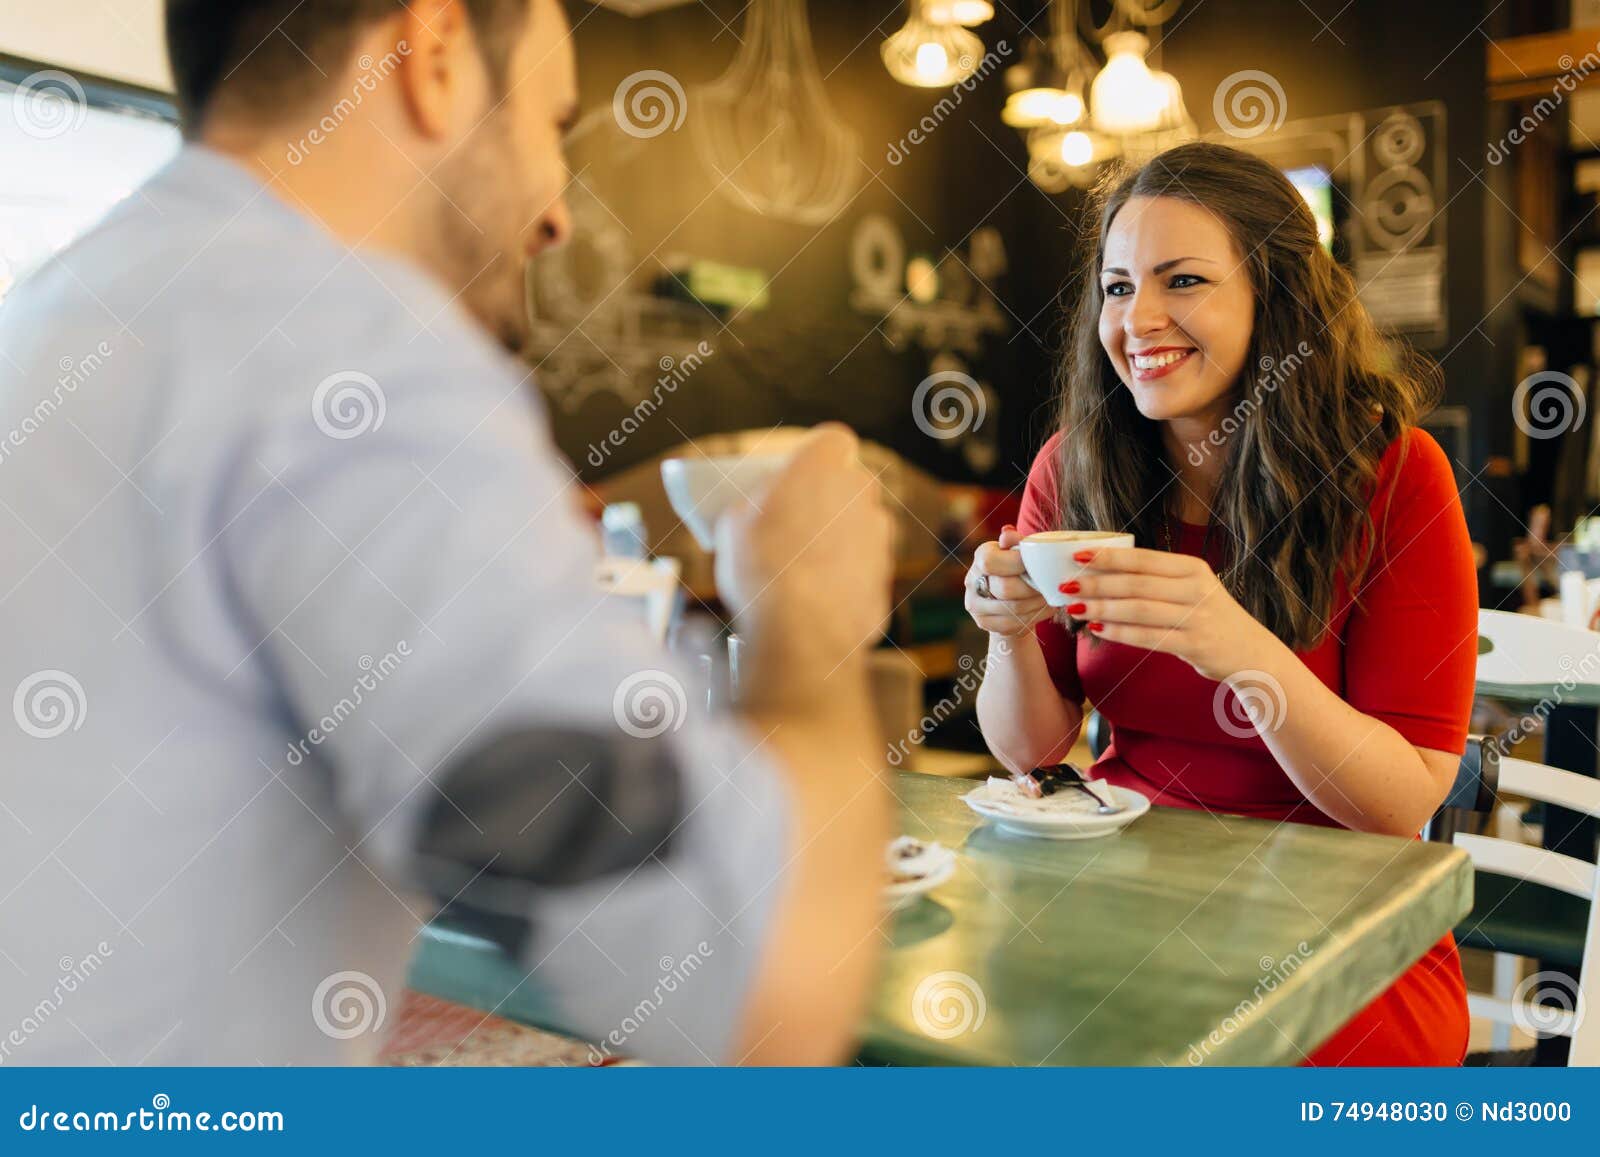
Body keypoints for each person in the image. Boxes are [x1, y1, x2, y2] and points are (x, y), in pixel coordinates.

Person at [0, 0, 893, 1066]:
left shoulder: (59, 309)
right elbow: (761, 993)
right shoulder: (351, 345)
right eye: (550, 126)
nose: (557, 212)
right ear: (432, 56)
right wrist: (809, 608)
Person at [966, 142, 1476, 1066]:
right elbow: (1032, 751)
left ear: (1275, 298)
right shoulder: (1073, 468)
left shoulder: (1395, 476)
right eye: (1117, 288)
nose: (1139, 318)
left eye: (1184, 280)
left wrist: (1236, 646)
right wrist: (1008, 633)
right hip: (1119, 885)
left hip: (1338, 918)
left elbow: (1403, 802)